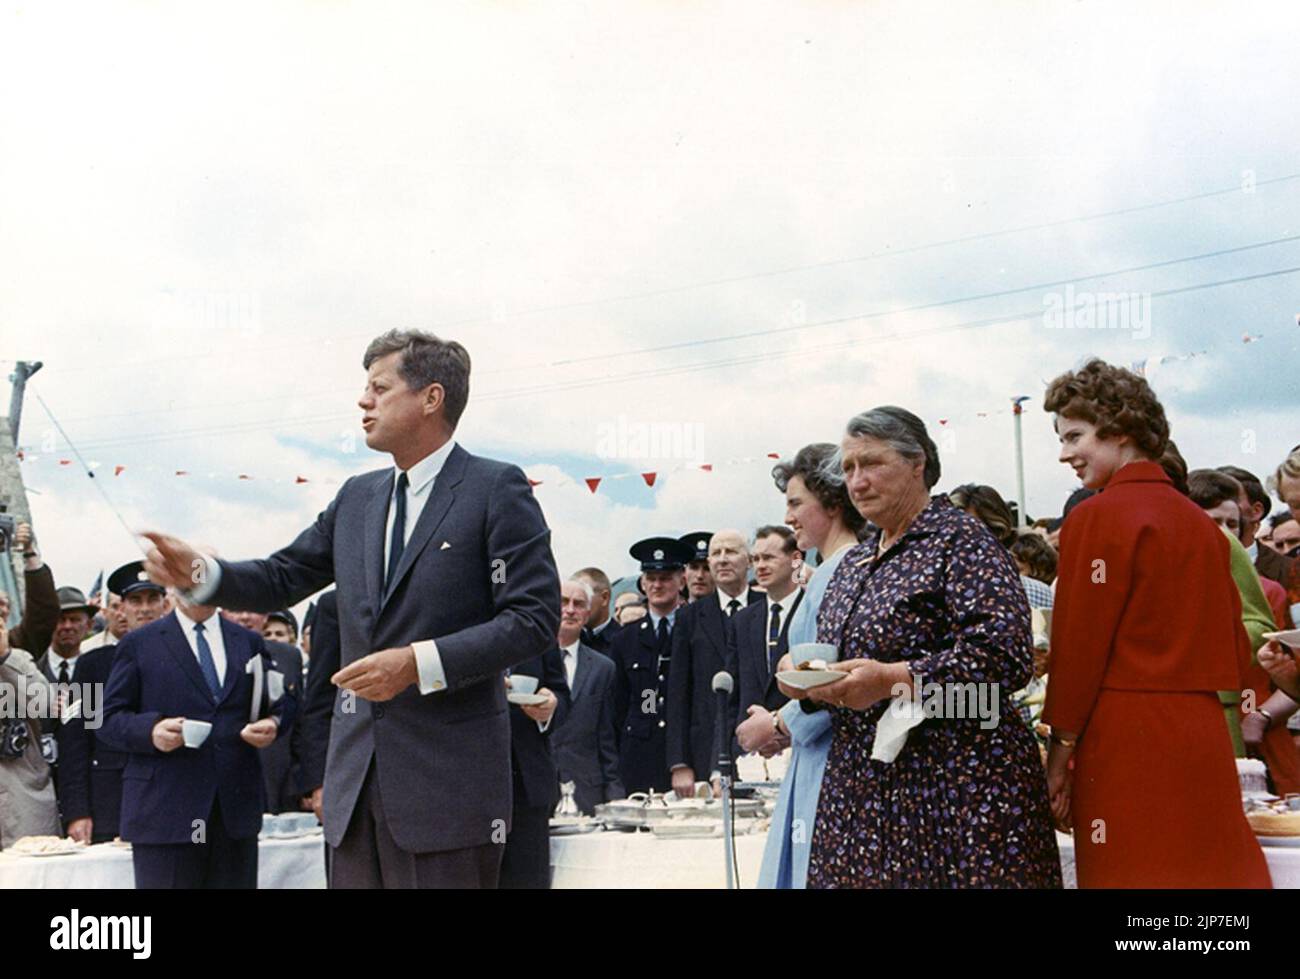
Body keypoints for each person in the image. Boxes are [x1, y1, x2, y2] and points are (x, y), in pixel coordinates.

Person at [142, 329, 560, 888]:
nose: (363, 401)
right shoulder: (357, 498)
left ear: (431, 398)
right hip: (354, 791)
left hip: (447, 796)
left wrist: (415, 664)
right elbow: (281, 576)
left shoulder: (495, 489)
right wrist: (200, 574)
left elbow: (532, 618)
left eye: (378, 387)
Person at [784, 406, 1061, 888]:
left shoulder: (962, 542)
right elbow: (841, 664)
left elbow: (1004, 663)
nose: (857, 481)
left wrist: (896, 682)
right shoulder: (855, 563)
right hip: (865, 793)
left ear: (918, 464)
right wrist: (809, 681)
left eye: (871, 463)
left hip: (957, 790)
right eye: (848, 469)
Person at [1042, 359, 1268, 888]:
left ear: (1118, 429)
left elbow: (1078, 650)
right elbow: (1238, 651)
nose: (1064, 453)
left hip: (1126, 736)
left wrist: (1059, 755)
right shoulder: (1205, 527)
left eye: (1075, 435)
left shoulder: (1095, 517)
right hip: (1203, 734)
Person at [100, 592, 294, 887]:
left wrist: (273, 722)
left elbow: (281, 701)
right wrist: (151, 731)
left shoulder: (248, 642)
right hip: (165, 814)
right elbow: (106, 718)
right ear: (172, 589)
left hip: (233, 814)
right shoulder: (139, 643)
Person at [741, 444, 865, 889]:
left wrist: (777, 724)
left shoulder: (839, 571)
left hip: (831, 759)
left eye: (796, 503)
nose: (789, 517)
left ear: (833, 503)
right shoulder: (828, 571)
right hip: (817, 755)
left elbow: (835, 681)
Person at [54, 562, 164, 846]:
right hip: (110, 804)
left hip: (169, 801)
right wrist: (77, 812)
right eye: (135, 600)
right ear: (121, 608)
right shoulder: (94, 665)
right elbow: (74, 742)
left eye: (153, 599)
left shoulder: (188, 661)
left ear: (165, 604)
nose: (145, 608)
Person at [666, 529, 760, 798]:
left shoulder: (767, 606)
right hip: (705, 749)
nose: (722, 559)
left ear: (749, 561)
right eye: (715, 553)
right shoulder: (689, 617)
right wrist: (679, 761)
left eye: (730, 551)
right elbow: (678, 693)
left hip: (759, 745)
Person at [609, 537, 690, 794]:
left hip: (686, 755)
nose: (657, 584)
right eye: (651, 578)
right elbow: (617, 706)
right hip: (639, 758)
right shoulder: (625, 639)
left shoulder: (696, 631)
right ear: (642, 583)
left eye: (665, 577)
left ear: (682, 580)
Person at [726, 525, 804, 758]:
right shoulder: (743, 620)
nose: (760, 566)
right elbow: (732, 697)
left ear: (795, 560)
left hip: (799, 748)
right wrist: (722, 764)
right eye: (756, 559)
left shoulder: (814, 610)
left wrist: (782, 731)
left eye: (769, 557)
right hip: (749, 754)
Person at [551, 579, 625, 814]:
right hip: (536, 790)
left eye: (579, 604)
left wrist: (614, 795)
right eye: (563, 602)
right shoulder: (524, 660)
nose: (570, 609)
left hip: (586, 790)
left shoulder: (603, 668)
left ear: (587, 613)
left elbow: (607, 738)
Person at [500, 644, 569, 889]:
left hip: (527, 787)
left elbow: (562, 696)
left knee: (527, 878)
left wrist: (550, 706)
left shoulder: (536, 631)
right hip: (475, 784)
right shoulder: (461, 620)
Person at [0, 521, 59, 657]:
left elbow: (43, 615)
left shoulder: (12, 645)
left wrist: (28, 551)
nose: (1, 610)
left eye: (4, 604)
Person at [573, 567, 620, 653]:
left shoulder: (626, 640)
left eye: (584, 596)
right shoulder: (566, 639)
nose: (572, 608)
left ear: (604, 598)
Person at [679, 532, 716, 602]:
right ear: (684, 573)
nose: (700, 575)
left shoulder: (730, 612)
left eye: (707, 569)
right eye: (694, 568)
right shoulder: (674, 612)